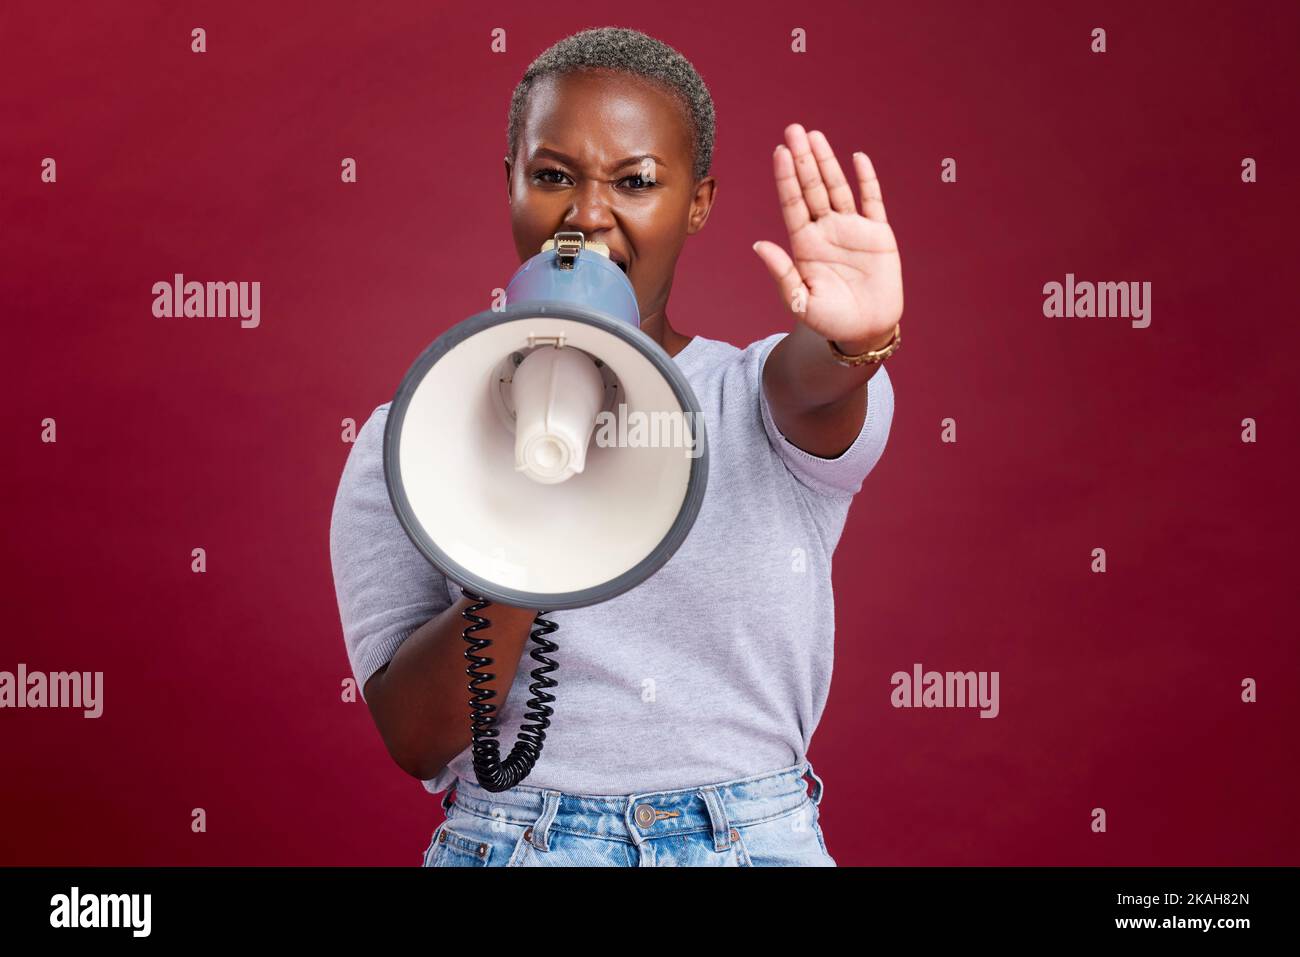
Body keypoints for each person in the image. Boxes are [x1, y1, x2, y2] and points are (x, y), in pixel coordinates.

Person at [329, 26, 903, 867]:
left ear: (698, 203)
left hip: (753, 840)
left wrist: (861, 340)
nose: (588, 215)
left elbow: (821, 384)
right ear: (512, 184)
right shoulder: (412, 437)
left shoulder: (753, 397)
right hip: (515, 839)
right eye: (552, 175)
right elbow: (415, 737)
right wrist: (532, 514)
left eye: (636, 182)